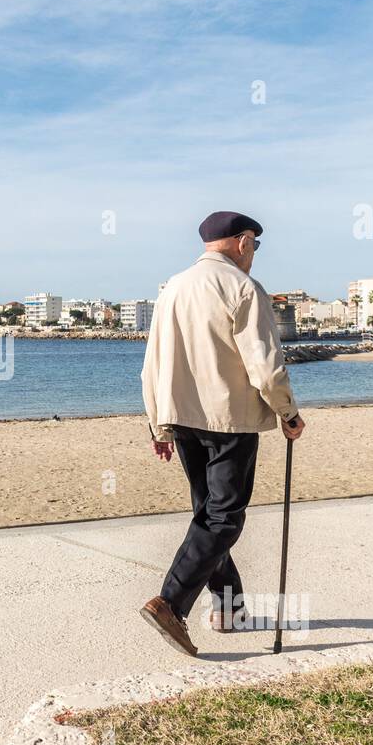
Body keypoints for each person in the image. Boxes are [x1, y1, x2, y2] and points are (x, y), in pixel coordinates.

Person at [138, 211, 305, 657]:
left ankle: (228, 607)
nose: (253, 254)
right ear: (244, 241)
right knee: (223, 518)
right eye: (254, 246)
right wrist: (288, 412)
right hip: (229, 419)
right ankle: (170, 603)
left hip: (183, 418)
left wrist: (158, 422)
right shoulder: (243, 288)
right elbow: (265, 366)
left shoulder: (172, 287)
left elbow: (152, 364)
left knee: (208, 514)